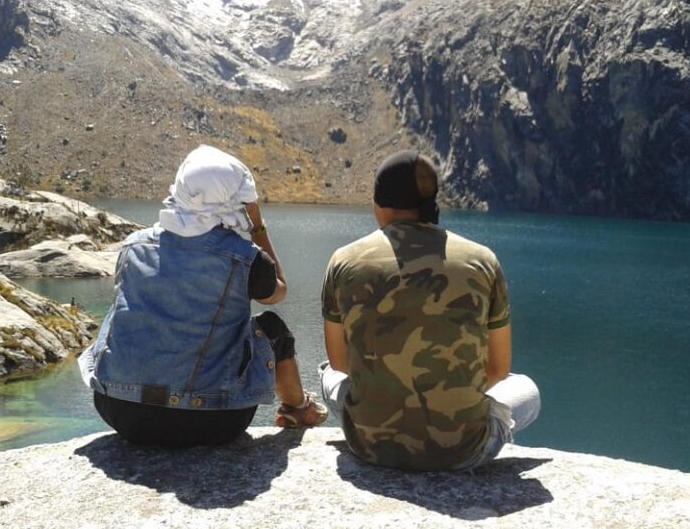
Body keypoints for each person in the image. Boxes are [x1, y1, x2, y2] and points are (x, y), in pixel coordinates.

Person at [80, 145, 327, 446]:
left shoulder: (133, 247)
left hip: (118, 410)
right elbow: (279, 291)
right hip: (209, 421)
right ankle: (299, 409)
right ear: (235, 202)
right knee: (272, 327)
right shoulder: (246, 259)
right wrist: (258, 227)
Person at [319, 150, 540, 471]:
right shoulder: (482, 260)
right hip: (463, 451)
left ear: (380, 205)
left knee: (327, 371)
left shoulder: (344, 260)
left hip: (369, 445)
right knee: (527, 390)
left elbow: (341, 363)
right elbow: (498, 368)